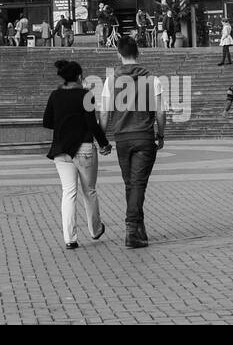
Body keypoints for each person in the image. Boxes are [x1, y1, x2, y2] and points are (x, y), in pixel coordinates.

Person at [100, 36, 165, 249]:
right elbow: (160, 112)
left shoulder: (111, 80)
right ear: (138, 53)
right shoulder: (152, 79)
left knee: (131, 184)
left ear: (119, 53)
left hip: (123, 139)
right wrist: (161, 134)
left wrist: (102, 140)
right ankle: (132, 228)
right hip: (144, 136)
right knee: (138, 184)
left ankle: (138, 228)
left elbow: (105, 112)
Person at [43, 59, 110, 250]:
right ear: (79, 77)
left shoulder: (55, 96)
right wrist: (104, 144)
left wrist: (64, 122)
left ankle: (70, 239)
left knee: (68, 193)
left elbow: (47, 121)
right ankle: (95, 230)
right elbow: (92, 124)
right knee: (89, 191)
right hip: (84, 149)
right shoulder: (86, 95)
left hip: (61, 150)